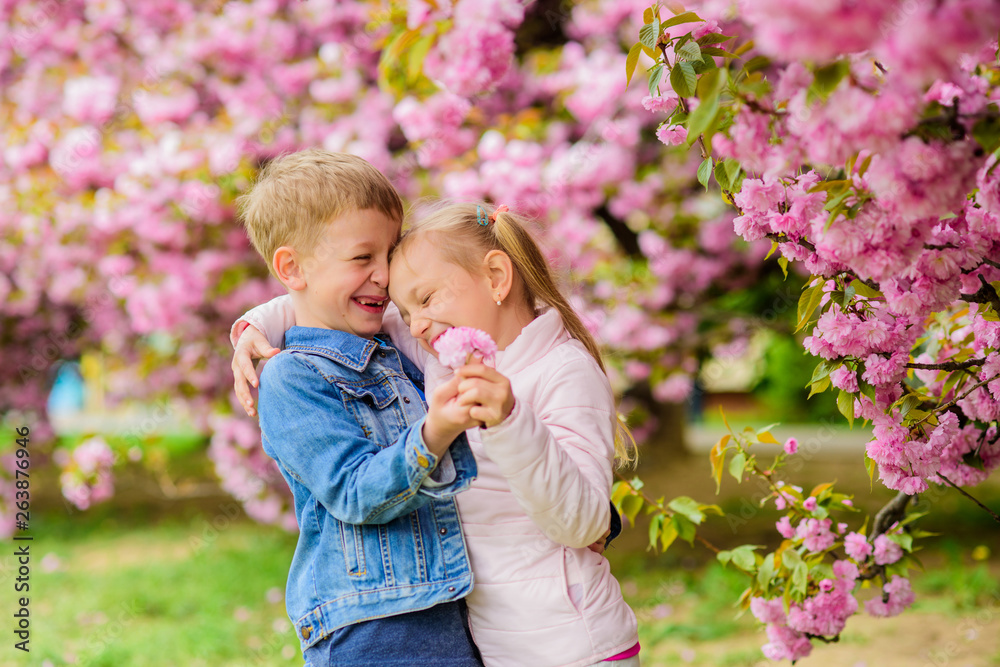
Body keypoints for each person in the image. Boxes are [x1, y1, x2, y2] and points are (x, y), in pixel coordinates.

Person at [232, 200, 641, 666]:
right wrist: (256, 326)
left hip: (573, 645)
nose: (415, 324)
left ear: (496, 278)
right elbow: (326, 303)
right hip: (493, 646)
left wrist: (509, 421)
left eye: (425, 300)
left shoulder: (563, 370)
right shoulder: (437, 353)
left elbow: (585, 523)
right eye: (405, 314)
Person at [234, 149, 485, 667]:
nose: (383, 275)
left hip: (446, 608)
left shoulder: (398, 349)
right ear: (291, 267)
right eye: (361, 257)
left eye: (390, 254)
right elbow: (354, 492)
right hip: (372, 630)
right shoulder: (290, 377)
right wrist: (433, 433)